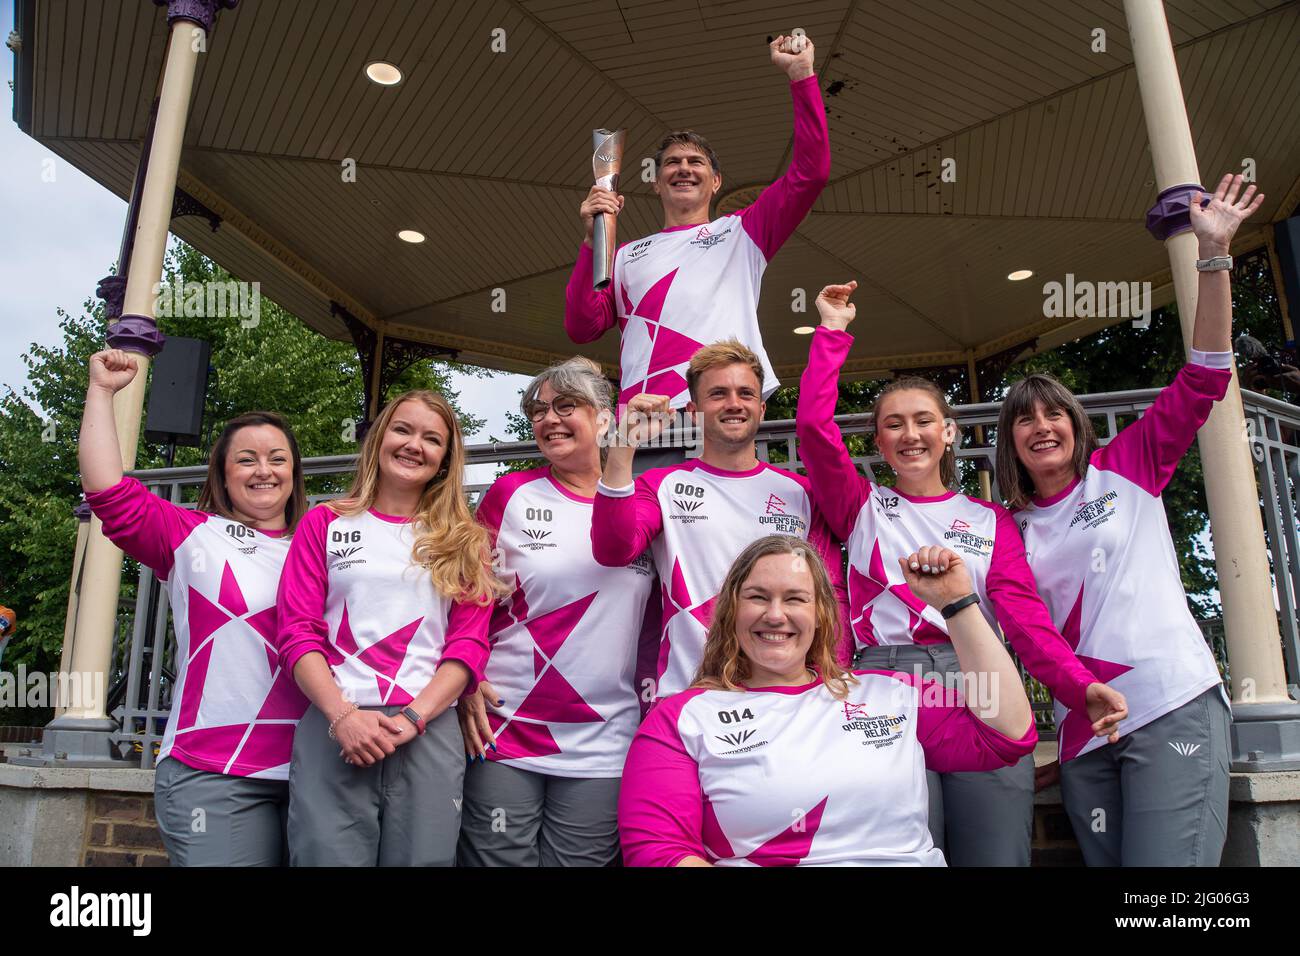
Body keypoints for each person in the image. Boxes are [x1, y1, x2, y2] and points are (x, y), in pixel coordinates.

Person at [795, 287, 1127, 866]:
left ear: (948, 432)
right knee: (898, 856)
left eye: (924, 420)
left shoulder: (990, 518)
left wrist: (1079, 689)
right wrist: (830, 333)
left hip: (980, 683)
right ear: (878, 443)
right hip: (883, 689)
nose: (910, 434)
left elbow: (1025, 623)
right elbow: (814, 428)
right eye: (893, 425)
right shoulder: (860, 505)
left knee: (998, 856)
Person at [997, 173, 1264, 867]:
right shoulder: (1006, 528)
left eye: (1053, 411)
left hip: (1170, 702)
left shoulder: (1129, 463)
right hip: (1086, 729)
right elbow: (1022, 635)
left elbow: (1205, 373)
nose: (1042, 427)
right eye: (1024, 420)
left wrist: (1213, 257)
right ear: (1010, 443)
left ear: (1075, 422)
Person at [618, 534, 1037, 866]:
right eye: (758, 597)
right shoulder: (680, 719)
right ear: (731, 612)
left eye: (795, 598)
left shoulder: (892, 691)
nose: (776, 615)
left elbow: (1008, 733)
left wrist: (958, 606)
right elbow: (660, 852)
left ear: (821, 615)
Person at [79, 349, 310, 866]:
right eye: (246, 459)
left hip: (320, 772)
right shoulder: (190, 533)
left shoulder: (325, 548)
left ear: (295, 473)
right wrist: (102, 391)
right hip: (214, 770)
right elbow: (107, 491)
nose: (263, 470)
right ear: (223, 474)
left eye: (277, 458)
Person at [275, 389, 501, 866]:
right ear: (379, 438)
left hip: (427, 727)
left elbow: (468, 645)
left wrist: (413, 720)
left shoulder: (464, 539)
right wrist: (343, 717)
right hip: (336, 723)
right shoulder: (324, 523)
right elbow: (297, 632)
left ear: (445, 458)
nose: (414, 445)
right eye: (402, 429)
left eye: (431, 439)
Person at [457, 358, 657, 867]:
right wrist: (467, 676)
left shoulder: (646, 498)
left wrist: (624, 453)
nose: (549, 419)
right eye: (538, 410)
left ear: (606, 419)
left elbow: (629, 569)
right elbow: (472, 593)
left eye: (567, 406)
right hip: (504, 722)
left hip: (604, 736)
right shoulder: (510, 494)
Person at [565, 33, 829, 410]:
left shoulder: (742, 232)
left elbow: (811, 173)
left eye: (696, 162)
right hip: (640, 417)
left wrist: (802, 78)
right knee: (630, 472)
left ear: (716, 181)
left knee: (719, 472)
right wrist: (591, 244)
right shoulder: (624, 255)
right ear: (656, 183)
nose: (683, 169)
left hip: (717, 407)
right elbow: (581, 327)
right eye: (672, 163)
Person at [593, 340, 848, 701]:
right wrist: (623, 445)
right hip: (690, 692)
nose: (733, 404)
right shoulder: (661, 484)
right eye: (718, 394)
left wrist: (830, 681)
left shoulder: (802, 493)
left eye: (745, 393)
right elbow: (613, 549)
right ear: (694, 410)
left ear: (760, 408)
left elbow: (830, 594)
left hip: (786, 697)